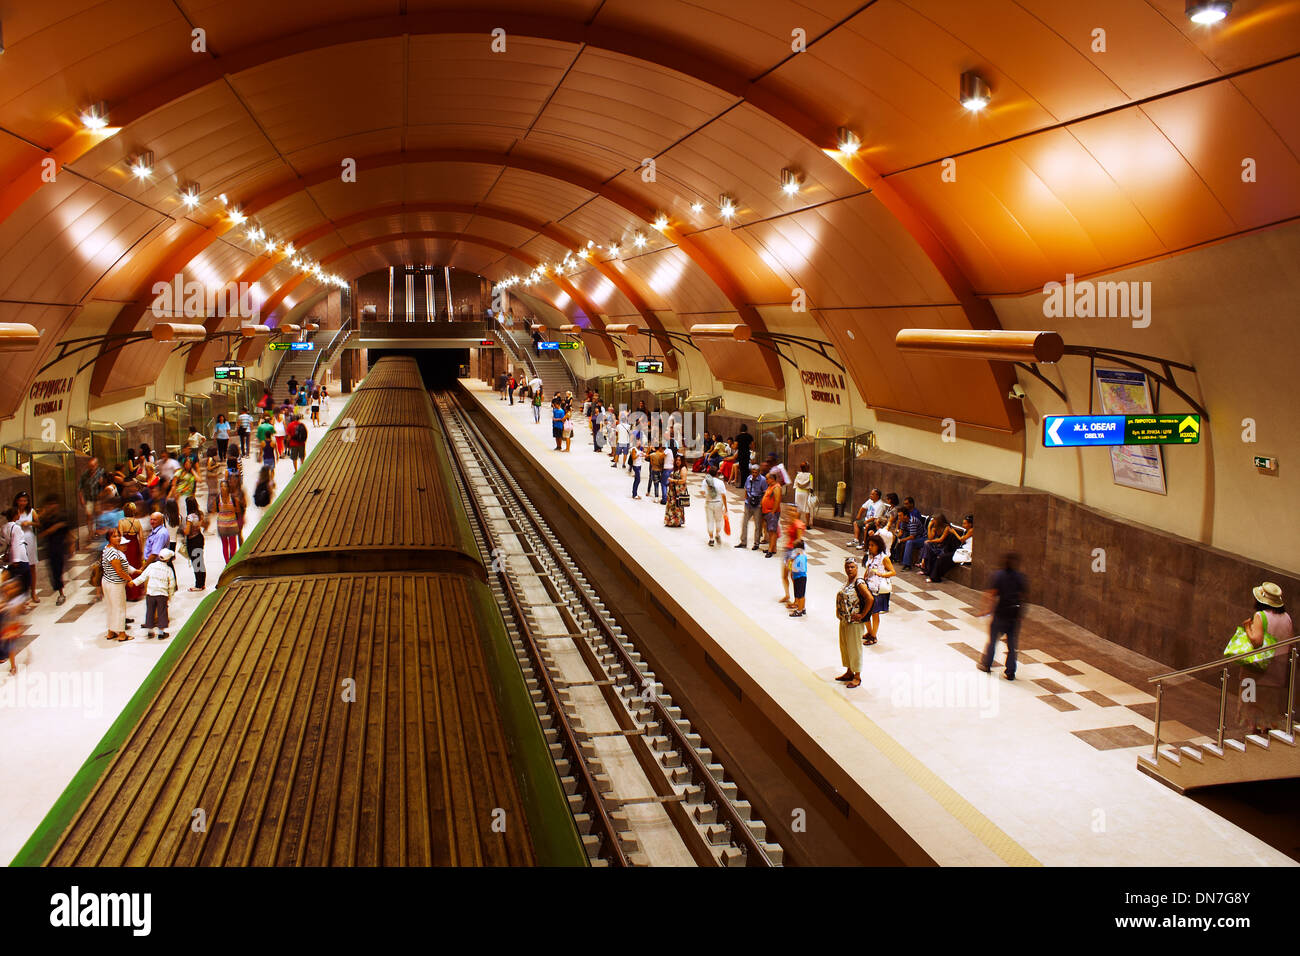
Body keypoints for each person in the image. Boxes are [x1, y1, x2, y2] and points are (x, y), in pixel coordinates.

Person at [1233, 582, 1294, 736]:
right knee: (1269, 709)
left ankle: (1253, 735)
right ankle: (1266, 734)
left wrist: (1247, 627)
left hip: (1255, 673)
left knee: (1250, 705)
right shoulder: (1287, 618)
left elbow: (1257, 641)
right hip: (1276, 675)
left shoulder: (1260, 616)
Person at [977, 552, 1028, 680]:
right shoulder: (1020, 577)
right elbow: (1023, 597)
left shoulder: (998, 575)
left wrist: (986, 610)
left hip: (1001, 614)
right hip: (1014, 615)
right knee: (1012, 645)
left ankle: (986, 664)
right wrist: (1021, 614)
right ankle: (1010, 672)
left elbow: (991, 594)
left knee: (993, 641)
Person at [835, 557, 872, 689]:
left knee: (855, 649)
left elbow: (870, 599)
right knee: (845, 647)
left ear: (857, 568)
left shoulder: (859, 582)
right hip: (845, 620)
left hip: (854, 623)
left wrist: (862, 614)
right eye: (847, 567)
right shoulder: (848, 581)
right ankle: (849, 672)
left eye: (852, 567)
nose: (849, 569)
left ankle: (857, 676)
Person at [101, 528, 139, 642]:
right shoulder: (113, 552)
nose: (117, 538)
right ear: (109, 539)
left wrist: (134, 571)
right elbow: (119, 571)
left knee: (111, 607)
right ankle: (122, 634)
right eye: (114, 536)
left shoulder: (106, 549)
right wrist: (129, 579)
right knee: (119, 608)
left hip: (107, 581)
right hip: (115, 584)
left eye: (118, 536)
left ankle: (111, 631)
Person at [131, 547, 176, 640]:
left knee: (150, 612)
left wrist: (133, 583)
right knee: (162, 612)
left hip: (150, 593)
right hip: (162, 594)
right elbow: (172, 584)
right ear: (168, 559)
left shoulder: (152, 566)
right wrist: (170, 596)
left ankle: (150, 632)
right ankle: (161, 633)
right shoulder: (168, 570)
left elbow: (143, 577)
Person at [37, 495, 70, 606]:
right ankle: (61, 592)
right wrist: (53, 529)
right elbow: (41, 534)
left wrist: (71, 544)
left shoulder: (62, 516)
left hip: (61, 547)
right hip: (51, 547)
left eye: (54, 504)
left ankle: (60, 589)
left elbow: (67, 531)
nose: (52, 506)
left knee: (59, 569)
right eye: (50, 504)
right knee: (54, 571)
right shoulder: (45, 519)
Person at [862, 534, 895, 645]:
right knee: (865, 612)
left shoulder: (884, 558)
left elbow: (893, 572)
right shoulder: (870, 556)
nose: (870, 547)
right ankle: (869, 632)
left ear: (878, 546)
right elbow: (868, 569)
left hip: (877, 589)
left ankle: (873, 636)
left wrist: (880, 574)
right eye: (869, 545)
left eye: (872, 545)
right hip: (867, 587)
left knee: (874, 613)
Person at [929, 515, 974, 584]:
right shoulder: (968, 530)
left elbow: (961, 539)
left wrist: (954, 532)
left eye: (965, 523)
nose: (963, 525)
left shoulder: (971, 530)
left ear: (970, 524)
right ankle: (934, 576)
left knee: (942, 558)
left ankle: (934, 577)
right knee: (943, 557)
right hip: (962, 549)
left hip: (966, 552)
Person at [3, 508, 32, 608]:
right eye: (18, 513)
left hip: (13, 555)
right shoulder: (16, 528)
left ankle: (21, 602)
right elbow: (15, 543)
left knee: (17, 578)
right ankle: (21, 603)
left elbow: (5, 541)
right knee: (25, 580)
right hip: (20, 556)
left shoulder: (4, 527)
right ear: (15, 515)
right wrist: (16, 560)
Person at [13, 491, 39, 604]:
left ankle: (33, 592)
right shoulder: (14, 512)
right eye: (21, 500)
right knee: (20, 567)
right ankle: (22, 594)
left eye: (25, 500)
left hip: (29, 539)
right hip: (18, 541)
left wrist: (30, 523)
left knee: (31, 566)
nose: (23, 503)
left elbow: (38, 524)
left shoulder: (31, 511)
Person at [118, 502, 147, 602]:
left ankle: (129, 593)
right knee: (135, 566)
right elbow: (142, 537)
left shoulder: (121, 522)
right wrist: (142, 550)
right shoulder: (137, 522)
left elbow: (120, 537)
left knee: (126, 566)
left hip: (126, 546)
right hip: (135, 544)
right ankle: (136, 592)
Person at [919, 513, 962, 580]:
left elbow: (940, 539)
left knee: (927, 544)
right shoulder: (934, 527)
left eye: (934, 519)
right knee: (926, 544)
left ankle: (923, 562)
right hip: (937, 546)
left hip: (944, 547)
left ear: (939, 520)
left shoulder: (947, 527)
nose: (932, 521)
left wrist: (931, 541)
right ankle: (923, 562)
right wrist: (929, 527)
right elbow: (930, 538)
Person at [735, 463, 764, 550]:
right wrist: (746, 498)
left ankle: (756, 543)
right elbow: (746, 488)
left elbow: (765, 493)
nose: (754, 474)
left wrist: (761, 503)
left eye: (755, 472)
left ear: (759, 472)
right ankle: (743, 542)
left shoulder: (763, 480)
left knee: (758, 525)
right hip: (748, 504)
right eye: (753, 472)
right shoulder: (749, 478)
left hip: (757, 505)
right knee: (744, 523)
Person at [779, 511, 805, 607]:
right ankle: (787, 595)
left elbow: (799, 541)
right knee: (784, 575)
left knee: (794, 577)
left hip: (792, 552)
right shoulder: (790, 523)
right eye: (788, 510)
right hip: (787, 551)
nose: (790, 512)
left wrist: (795, 557)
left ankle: (797, 600)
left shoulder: (798, 525)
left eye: (793, 511)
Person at [182, 496, 206, 591]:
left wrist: (182, 530)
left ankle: (198, 585)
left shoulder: (190, 517)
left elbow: (187, 531)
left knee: (196, 563)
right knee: (200, 561)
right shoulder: (200, 514)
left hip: (192, 540)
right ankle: (202, 582)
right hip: (199, 537)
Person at [700, 465, 727, 546]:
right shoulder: (720, 482)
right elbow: (724, 495)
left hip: (709, 502)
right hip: (718, 503)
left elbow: (702, 492)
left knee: (710, 521)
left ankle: (711, 539)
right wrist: (726, 507)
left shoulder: (705, 481)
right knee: (718, 520)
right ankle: (717, 534)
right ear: (717, 474)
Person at [79, 456, 105, 534]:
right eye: (90, 466)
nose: (91, 468)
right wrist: (81, 498)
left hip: (98, 498)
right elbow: (80, 487)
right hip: (89, 498)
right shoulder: (85, 474)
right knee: (89, 515)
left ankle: (98, 531)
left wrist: (102, 483)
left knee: (98, 515)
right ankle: (90, 532)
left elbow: (106, 484)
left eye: (93, 466)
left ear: (96, 465)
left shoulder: (101, 472)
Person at [216, 481, 240, 563]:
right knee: (225, 545)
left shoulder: (232, 497)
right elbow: (214, 509)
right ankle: (227, 562)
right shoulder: (218, 498)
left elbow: (238, 509)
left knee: (233, 545)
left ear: (228, 488)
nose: (223, 488)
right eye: (221, 486)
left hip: (232, 525)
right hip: (222, 526)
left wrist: (232, 508)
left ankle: (232, 561)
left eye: (225, 486)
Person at [761, 473, 781, 557]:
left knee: (772, 531)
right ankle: (773, 548)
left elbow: (777, 500)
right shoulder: (770, 486)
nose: (766, 480)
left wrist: (773, 511)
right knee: (770, 531)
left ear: (772, 479)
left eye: (767, 479)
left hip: (772, 513)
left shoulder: (776, 487)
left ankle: (770, 550)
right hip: (767, 512)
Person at [664, 463, 687, 528]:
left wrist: (673, 480)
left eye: (679, 460)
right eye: (676, 460)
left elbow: (683, 480)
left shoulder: (683, 469)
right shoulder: (676, 468)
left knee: (677, 505)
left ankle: (677, 522)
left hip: (678, 490)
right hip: (672, 490)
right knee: (671, 505)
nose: (678, 461)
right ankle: (670, 521)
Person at [789, 540, 808, 618]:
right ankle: (802, 608)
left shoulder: (801, 558)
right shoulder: (800, 556)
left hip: (800, 577)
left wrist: (794, 568)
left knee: (800, 595)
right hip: (798, 577)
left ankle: (799, 611)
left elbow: (802, 568)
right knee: (799, 594)